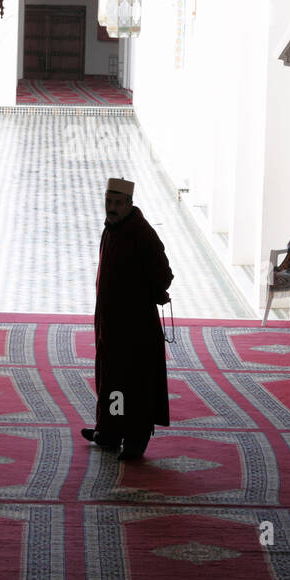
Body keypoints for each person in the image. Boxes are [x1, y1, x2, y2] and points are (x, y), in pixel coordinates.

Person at [81, 177, 174, 461]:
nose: (111, 208)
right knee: (113, 382)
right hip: (111, 327)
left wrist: (148, 293)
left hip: (136, 329)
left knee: (136, 383)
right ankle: (110, 431)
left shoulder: (141, 234)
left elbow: (164, 275)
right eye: (108, 202)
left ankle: (135, 439)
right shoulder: (113, 229)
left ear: (129, 204)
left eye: (117, 203)